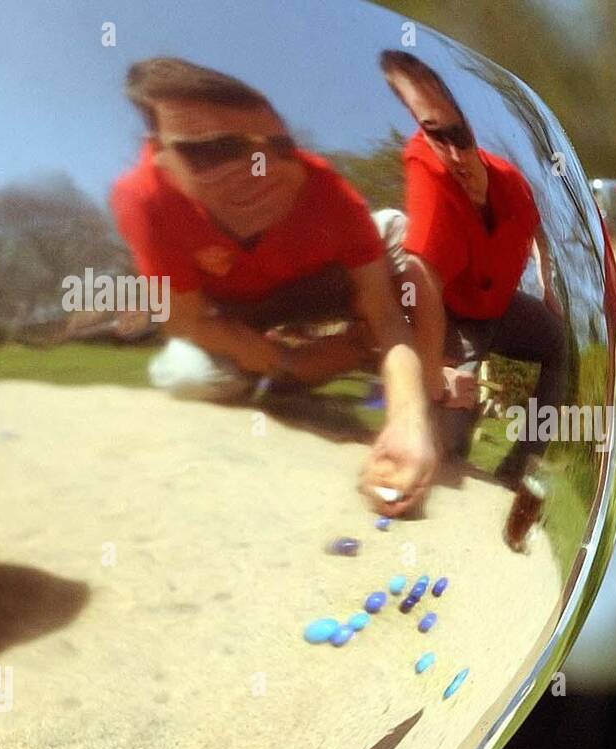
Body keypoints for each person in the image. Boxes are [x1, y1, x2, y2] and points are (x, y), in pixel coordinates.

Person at [109, 57, 434, 516]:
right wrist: (290, 361)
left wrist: (407, 423)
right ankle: (293, 377)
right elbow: (187, 319)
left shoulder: (326, 190)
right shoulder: (143, 198)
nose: (261, 171)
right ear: (158, 153)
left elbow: (383, 311)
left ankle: (425, 368)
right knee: (181, 374)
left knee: (394, 228)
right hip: (237, 306)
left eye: (278, 146)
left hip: (320, 285)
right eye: (211, 151)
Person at [378, 50, 569, 484]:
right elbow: (423, 273)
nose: (453, 155)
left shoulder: (514, 187)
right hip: (457, 318)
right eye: (434, 135)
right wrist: (435, 376)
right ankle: (454, 426)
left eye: (459, 136)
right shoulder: (426, 167)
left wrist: (548, 285)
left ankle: (522, 463)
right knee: (449, 446)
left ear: (472, 128)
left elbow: (540, 236)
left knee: (558, 345)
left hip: (502, 309)